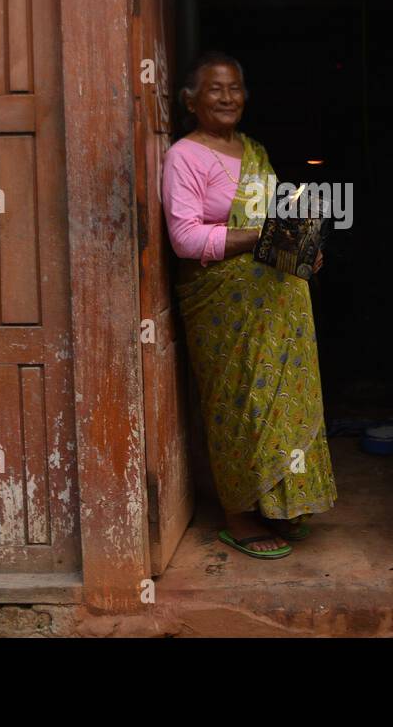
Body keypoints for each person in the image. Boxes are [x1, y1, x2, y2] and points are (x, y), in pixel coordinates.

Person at [160, 51, 337, 559]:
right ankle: (238, 514)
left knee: (284, 400)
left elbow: (278, 218)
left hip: (277, 300)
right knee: (239, 401)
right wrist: (258, 236)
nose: (227, 97)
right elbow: (185, 239)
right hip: (224, 305)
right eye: (215, 89)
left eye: (235, 87)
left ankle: (281, 502)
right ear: (190, 100)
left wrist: (302, 248)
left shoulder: (253, 150)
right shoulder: (185, 157)